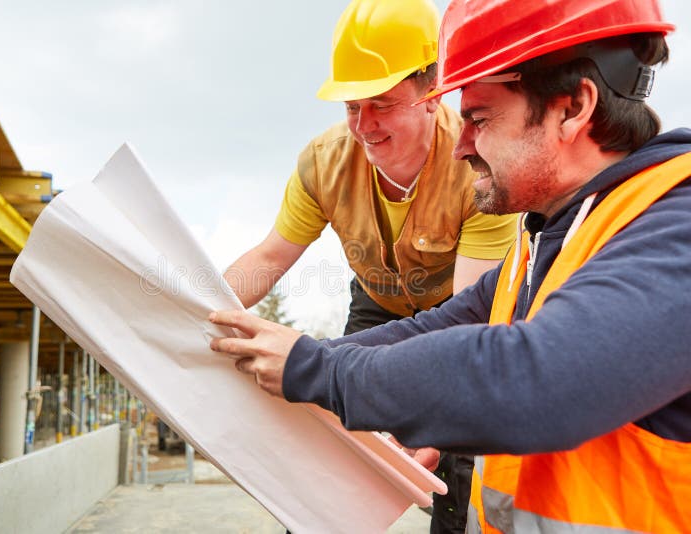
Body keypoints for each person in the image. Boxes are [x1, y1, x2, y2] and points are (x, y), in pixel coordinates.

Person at [209, 0, 691, 531]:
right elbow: (441, 326)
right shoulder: (543, 245)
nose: (461, 147)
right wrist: (290, 356)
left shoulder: (676, 228)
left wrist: (318, 371)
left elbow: (534, 379)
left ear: (573, 107)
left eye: (479, 119)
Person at [224, 1, 516, 530]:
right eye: (352, 107)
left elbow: (469, 319)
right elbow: (268, 257)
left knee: (456, 454)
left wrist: (432, 416)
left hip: (456, 311)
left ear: (433, 92)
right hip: (377, 305)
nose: (365, 126)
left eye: (382, 103)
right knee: (334, 432)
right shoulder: (323, 163)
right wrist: (204, 311)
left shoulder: (479, 167)